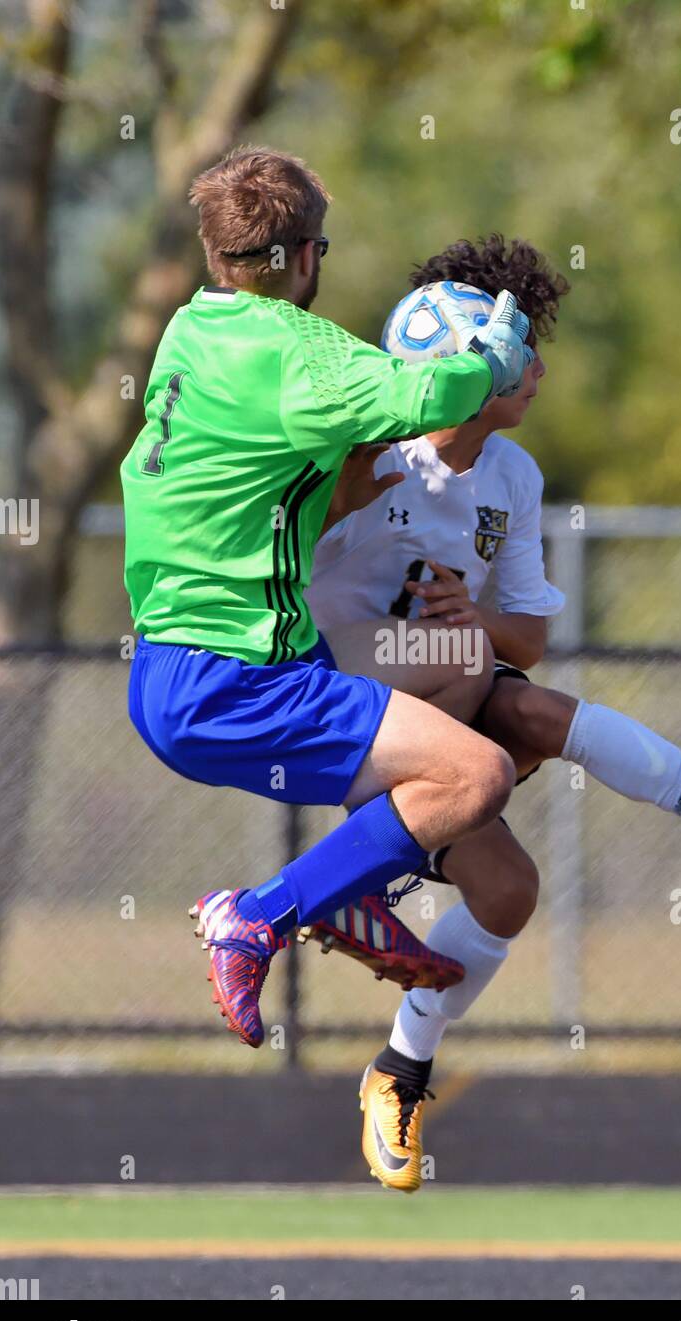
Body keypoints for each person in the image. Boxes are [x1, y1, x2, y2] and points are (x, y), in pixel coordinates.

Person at [305, 233, 681, 1192]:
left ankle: (398, 1070)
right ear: (465, 367)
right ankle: (360, 876)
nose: (539, 368)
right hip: (349, 717)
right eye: (519, 352)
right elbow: (291, 583)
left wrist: (475, 621)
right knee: (473, 662)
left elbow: (529, 639)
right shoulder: (369, 457)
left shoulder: (511, 478)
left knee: (512, 889)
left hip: (451, 708)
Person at [120, 149, 537, 1049]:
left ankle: (349, 893)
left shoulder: (191, 331)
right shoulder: (300, 353)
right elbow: (431, 391)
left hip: (184, 668)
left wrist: (334, 490)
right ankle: (262, 914)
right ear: (307, 256)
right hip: (238, 678)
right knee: (478, 775)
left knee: (455, 662)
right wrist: (488, 362)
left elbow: (265, 477)